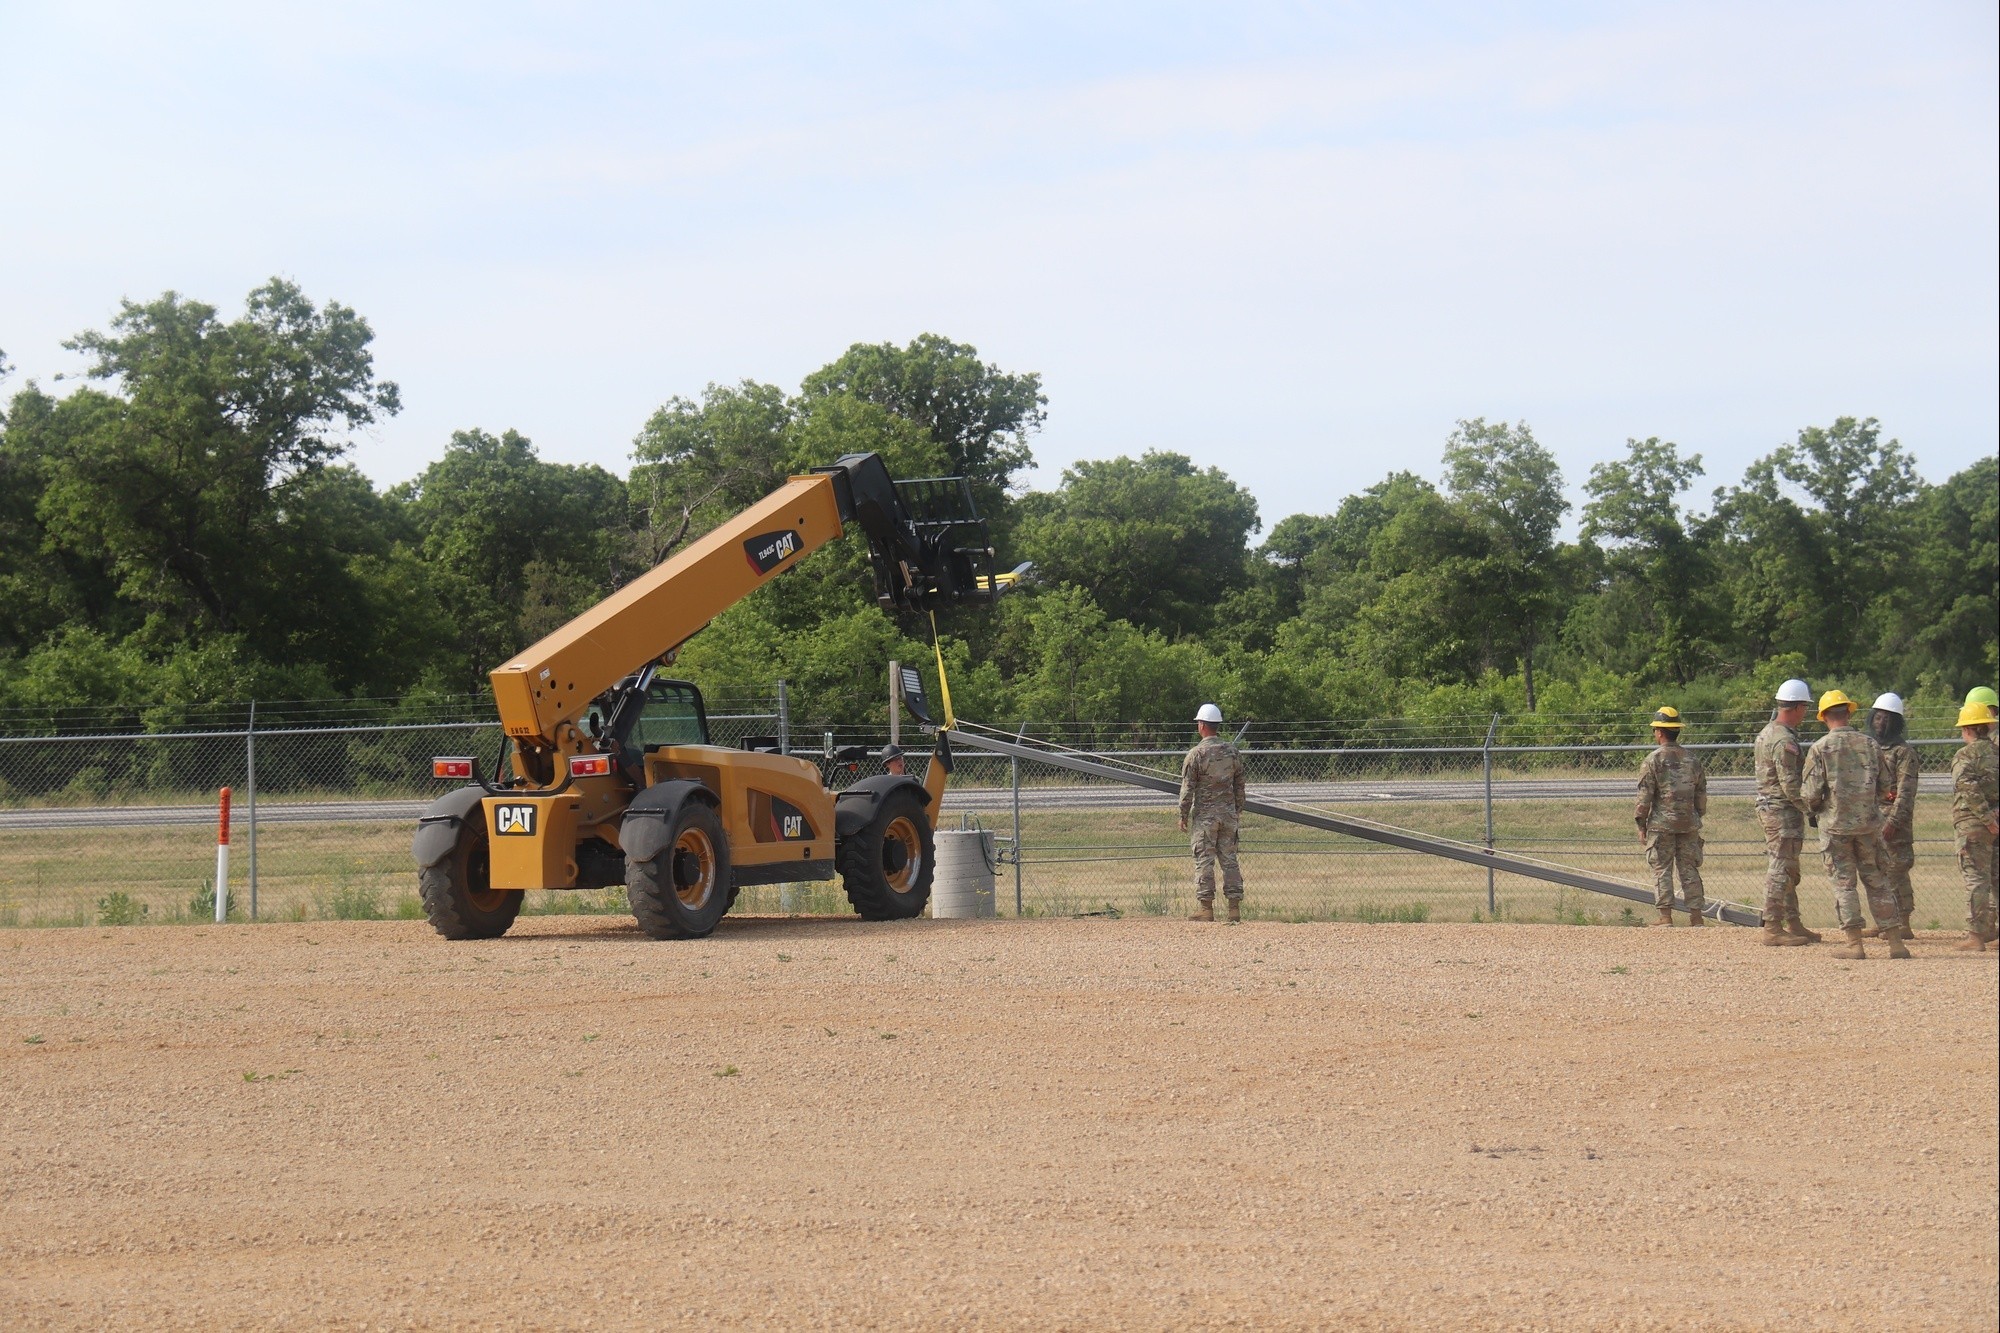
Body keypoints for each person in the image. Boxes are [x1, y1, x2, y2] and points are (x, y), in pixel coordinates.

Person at [1801, 690, 1908, 959]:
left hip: (1835, 828)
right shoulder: (1871, 745)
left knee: (1844, 885)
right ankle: (1896, 943)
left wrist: (1816, 809)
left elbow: (1811, 794)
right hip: (1870, 827)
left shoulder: (1820, 748)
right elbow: (1886, 787)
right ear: (1849, 713)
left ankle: (1854, 945)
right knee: (1878, 881)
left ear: (1824, 717)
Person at [1753, 680, 1816, 946]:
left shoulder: (1767, 732)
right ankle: (1773, 927)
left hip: (1772, 808)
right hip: (1782, 811)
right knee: (1781, 867)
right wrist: (1810, 807)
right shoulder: (1783, 739)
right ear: (1797, 707)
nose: (1806, 713)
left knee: (1788, 867)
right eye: (1805, 707)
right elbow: (1790, 784)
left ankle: (1793, 922)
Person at [1634, 706, 1708, 926]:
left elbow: (1644, 796)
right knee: (1689, 868)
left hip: (1661, 824)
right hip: (1689, 823)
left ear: (1659, 732)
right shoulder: (1692, 760)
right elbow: (1701, 793)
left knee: (1661, 868)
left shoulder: (1653, 760)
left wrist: (1641, 824)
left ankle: (1665, 916)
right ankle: (1696, 917)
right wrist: (1696, 815)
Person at [1178, 703, 1246, 922]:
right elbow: (1239, 785)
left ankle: (1206, 908)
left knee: (1204, 860)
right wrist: (1237, 810)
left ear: (1201, 726)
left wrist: (1183, 815)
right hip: (1228, 815)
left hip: (1206, 817)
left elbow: (1188, 789)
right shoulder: (1232, 752)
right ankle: (1234, 909)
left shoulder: (1196, 754)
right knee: (1230, 859)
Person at [1865, 693, 1919, 941]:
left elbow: (1906, 793)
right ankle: (1884, 922)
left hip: (1894, 824)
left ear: (1895, 721)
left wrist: (1893, 822)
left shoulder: (1904, 752)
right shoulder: (1870, 747)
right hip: (1872, 821)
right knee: (1877, 873)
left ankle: (1903, 923)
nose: (1880, 722)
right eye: (1877, 716)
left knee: (1897, 871)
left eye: (1885, 718)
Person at [1948, 701, 1998, 951]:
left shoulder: (1965, 755)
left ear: (1967, 729)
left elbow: (1966, 786)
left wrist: (1987, 820)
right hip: (1996, 824)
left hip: (1973, 826)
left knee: (1976, 880)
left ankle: (1976, 936)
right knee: (1997, 879)